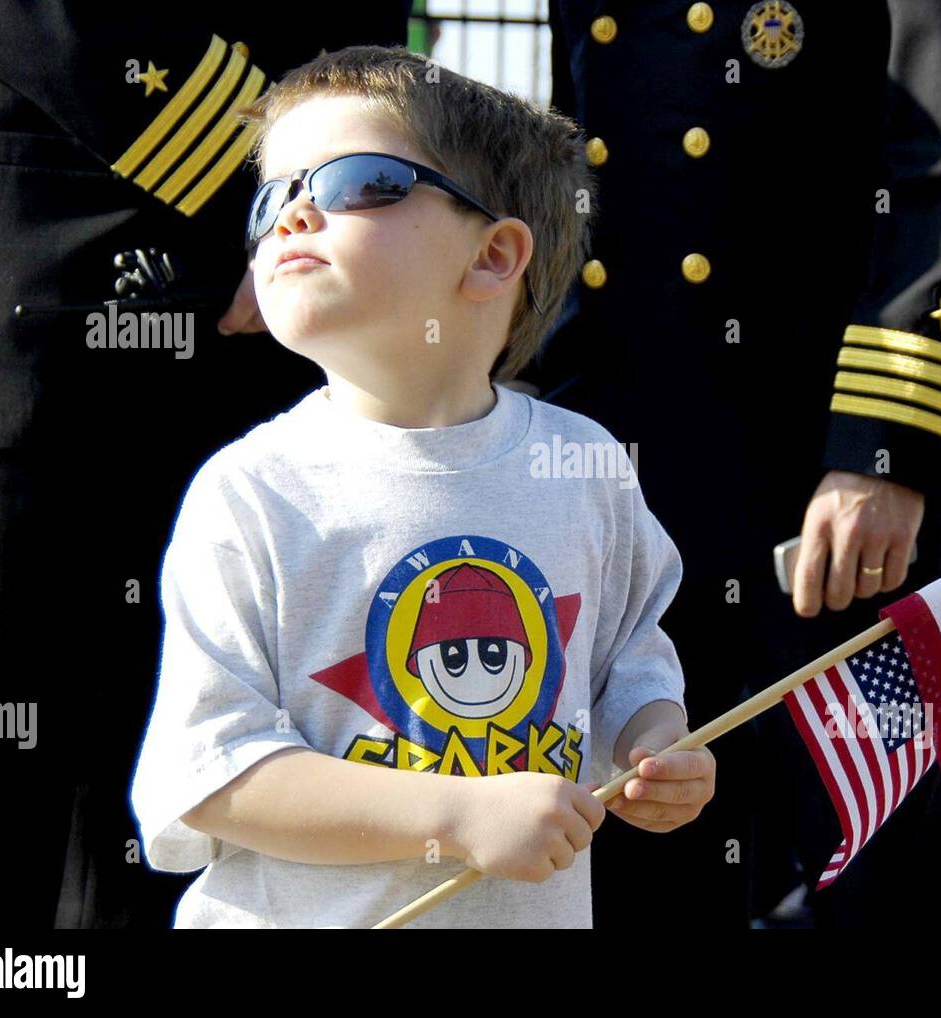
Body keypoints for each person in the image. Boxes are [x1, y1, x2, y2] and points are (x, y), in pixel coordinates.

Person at [129, 45, 716, 929]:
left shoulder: (587, 465)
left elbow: (629, 655)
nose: (291, 216)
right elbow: (209, 773)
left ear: (492, 257)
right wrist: (454, 818)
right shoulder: (250, 491)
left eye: (357, 183)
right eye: (273, 196)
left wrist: (655, 740)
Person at [536, 0, 941, 928]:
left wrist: (888, 450)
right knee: (647, 830)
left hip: (823, 460)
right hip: (616, 448)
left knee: (870, 849)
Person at [0, 1, 411, 928]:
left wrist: (322, 203)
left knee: (206, 765)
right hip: (58, 277)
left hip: (276, 306)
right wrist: (271, 190)